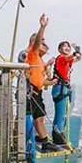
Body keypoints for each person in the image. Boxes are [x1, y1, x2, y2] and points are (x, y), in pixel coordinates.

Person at [26, 13, 59, 151]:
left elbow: (40, 80)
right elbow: (37, 42)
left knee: (39, 116)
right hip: (31, 91)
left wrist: (50, 82)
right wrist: (42, 27)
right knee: (37, 117)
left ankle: (41, 137)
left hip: (36, 91)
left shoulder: (38, 60)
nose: (43, 44)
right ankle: (45, 142)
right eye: (41, 42)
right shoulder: (32, 53)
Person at [52, 41, 81, 145]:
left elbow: (77, 58)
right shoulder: (61, 58)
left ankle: (59, 134)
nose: (67, 48)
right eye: (64, 46)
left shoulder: (67, 61)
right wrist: (74, 52)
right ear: (59, 50)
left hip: (64, 88)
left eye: (68, 46)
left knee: (63, 115)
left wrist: (78, 50)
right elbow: (70, 57)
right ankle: (57, 136)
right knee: (60, 115)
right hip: (60, 88)